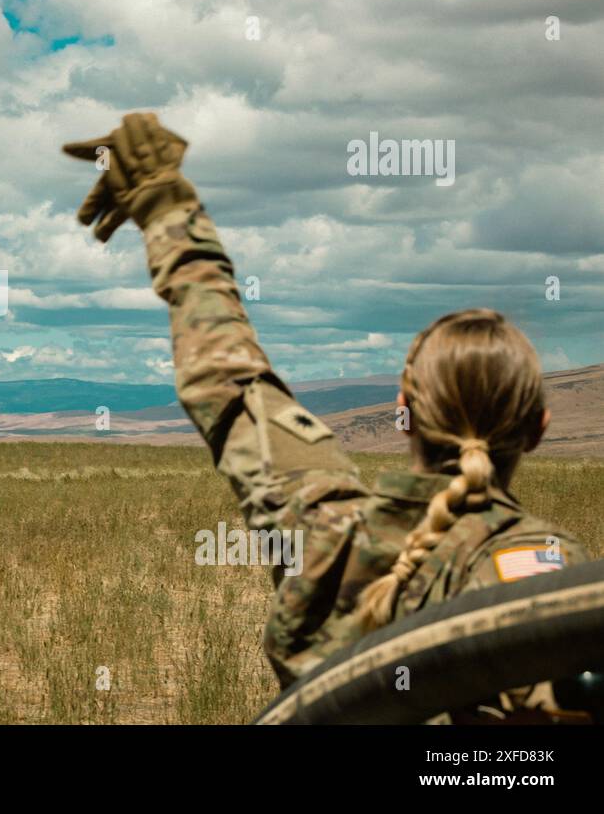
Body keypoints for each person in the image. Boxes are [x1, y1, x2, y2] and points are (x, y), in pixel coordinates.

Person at [63, 113, 592, 718]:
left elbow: (229, 378)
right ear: (538, 429)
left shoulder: (323, 528)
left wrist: (164, 203)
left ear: (404, 411)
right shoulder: (551, 573)